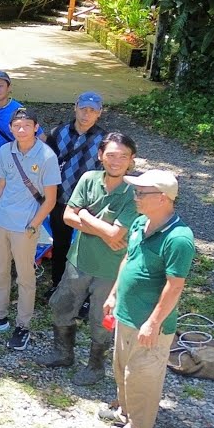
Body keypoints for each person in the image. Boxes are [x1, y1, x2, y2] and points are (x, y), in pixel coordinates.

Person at [99, 169, 194, 428]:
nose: (135, 197)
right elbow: (128, 259)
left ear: (164, 199)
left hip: (148, 324)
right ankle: (125, 413)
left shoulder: (178, 238)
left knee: (143, 377)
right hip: (126, 315)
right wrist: (114, 293)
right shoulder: (141, 223)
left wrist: (153, 323)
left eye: (142, 193)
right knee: (122, 369)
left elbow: (175, 286)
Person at [37, 132, 139, 385]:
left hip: (111, 270)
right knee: (61, 305)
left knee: (100, 319)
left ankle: (95, 367)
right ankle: (63, 353)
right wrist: (104, 231)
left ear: (132, 160)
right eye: (111, 155)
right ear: (100, 156)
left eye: (123, 157)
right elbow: (67, 217)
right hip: (78, 261)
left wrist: (85, 215)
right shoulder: (88, 178)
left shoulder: (135, 192)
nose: (116, 161)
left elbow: (116, 233)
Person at [0, 108, 60, 352]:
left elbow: (50, 199)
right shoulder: (5, 150)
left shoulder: (46, 156)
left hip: (25, 226)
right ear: (11, 128)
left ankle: (23, 325)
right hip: (1, 222)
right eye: (17, 126)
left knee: (25, 277)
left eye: (26, 125)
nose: (21, 130)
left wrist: (34, 225)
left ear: (35, 127)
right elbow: (1, 186)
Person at [45, 91, 107, 294]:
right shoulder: (58, 132)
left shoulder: (104, 140)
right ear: (75, 108)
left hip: (90, 205)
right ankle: (58, 285)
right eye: (83, 109)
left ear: (99, 113)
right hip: (61, 199)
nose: (86, 114)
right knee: (60, 245)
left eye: (92, 110)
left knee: (87, 247)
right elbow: (47, 162)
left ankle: (86, 292)